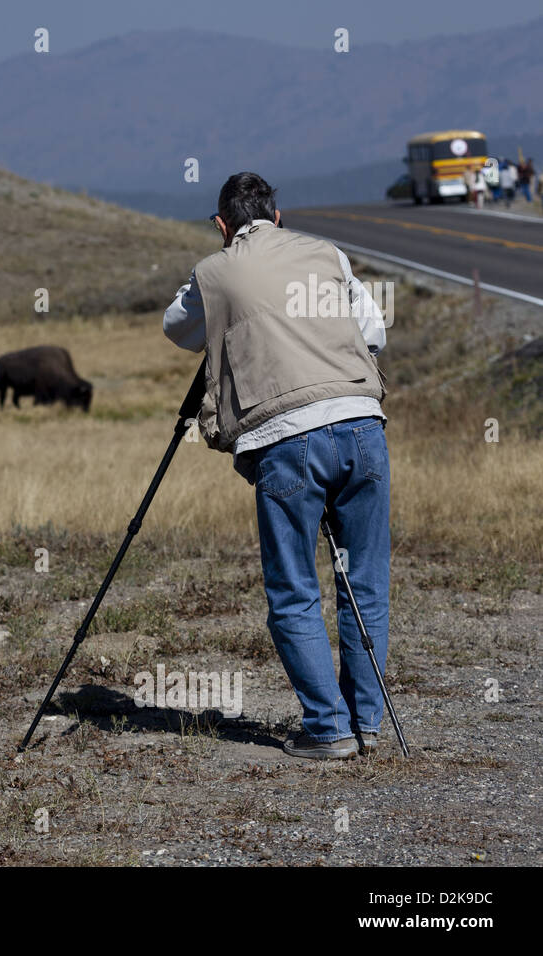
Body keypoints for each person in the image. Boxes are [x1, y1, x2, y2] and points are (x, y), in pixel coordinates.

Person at [164, 173, 390, 760]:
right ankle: (367, 721)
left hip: (286, 437)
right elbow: (374, 330)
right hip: (362, 426)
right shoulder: (327, 253)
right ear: (279, 215)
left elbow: (178, 329)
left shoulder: (213, 273)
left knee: (294, 590)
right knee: (363, 582)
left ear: (221, 226)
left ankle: (328, 730)